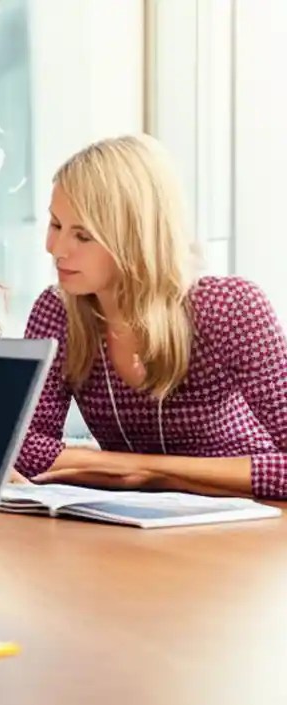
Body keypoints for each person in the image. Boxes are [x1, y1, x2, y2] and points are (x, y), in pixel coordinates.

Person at [16, 134, 287, 499]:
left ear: (135, 238)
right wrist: (136, 474)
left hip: (247, 518)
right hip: (132, 521)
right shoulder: (57, 312)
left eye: (82, 235)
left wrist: (150, 473)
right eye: (55, 225)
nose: (56, 248)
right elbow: (22, 450)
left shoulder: (229, 308)